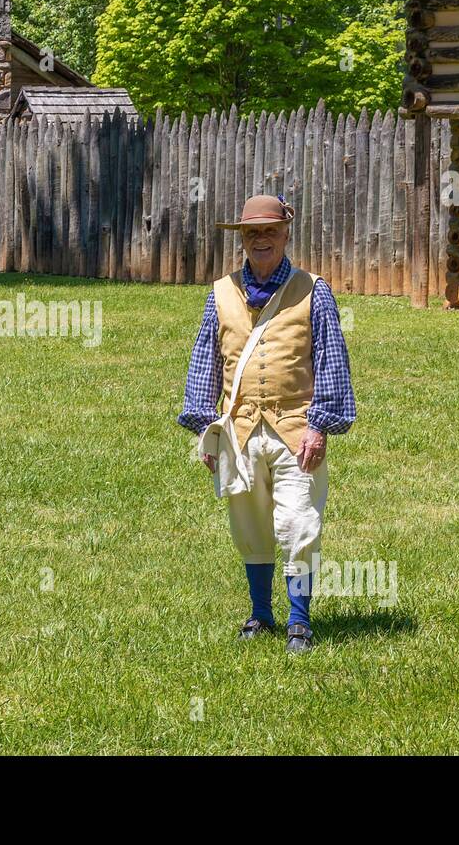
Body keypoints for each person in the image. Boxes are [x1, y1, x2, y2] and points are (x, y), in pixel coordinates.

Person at [177, 194, 356, 653]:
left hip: (297, 429)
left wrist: (320, 425)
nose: (261, 240)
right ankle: (261, 614)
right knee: (249, 526)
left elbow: (331, 362)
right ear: (242, 239)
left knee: (299, 524)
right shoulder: (220, 292)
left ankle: (299, 621)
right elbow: (205, 363)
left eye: (269, 232)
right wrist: (205, 427)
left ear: (286, 235)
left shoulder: (313, 290)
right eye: (252, 233)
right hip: (238, 432)